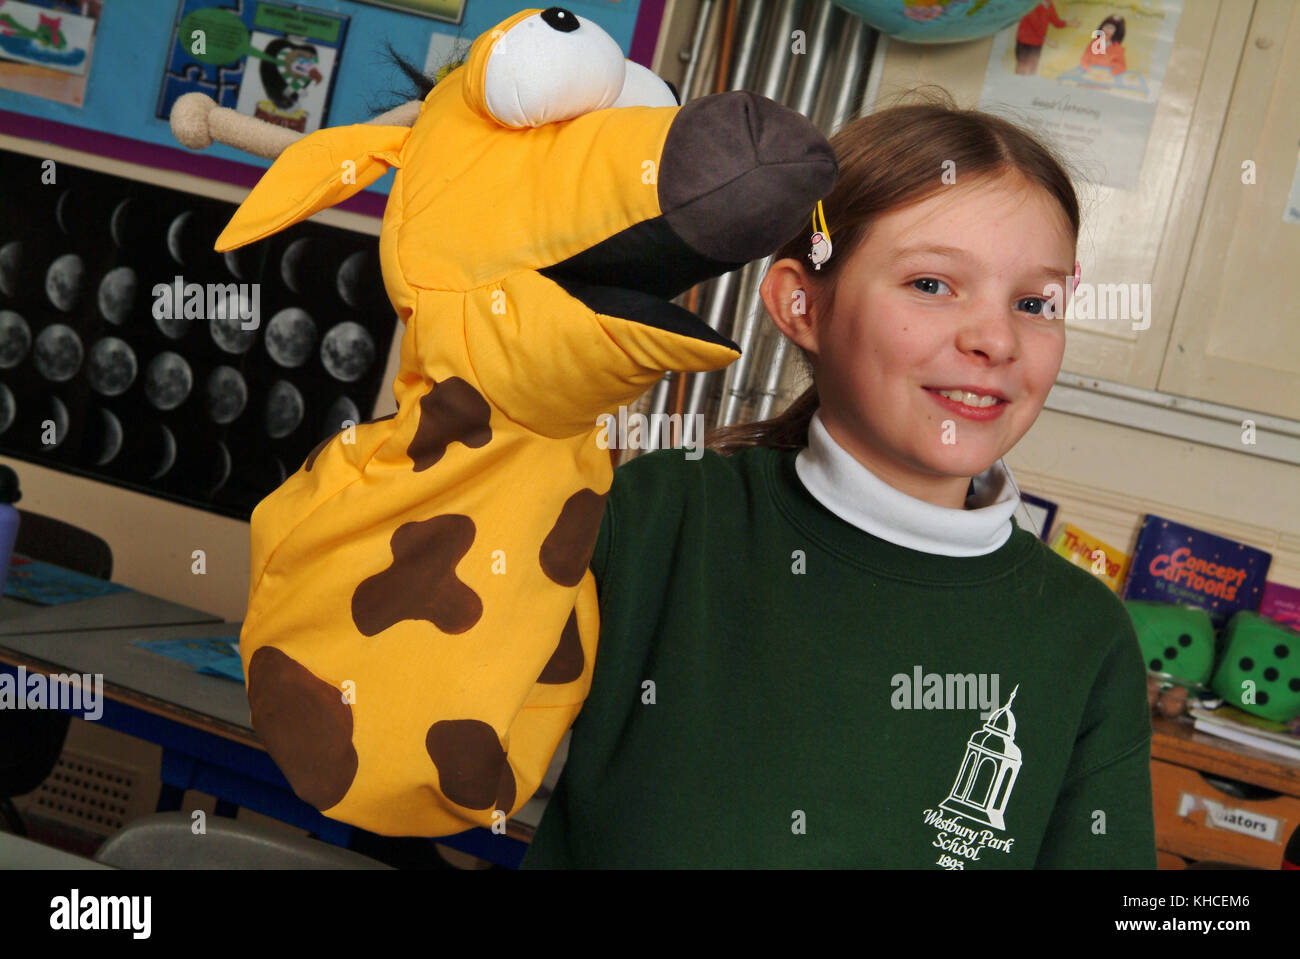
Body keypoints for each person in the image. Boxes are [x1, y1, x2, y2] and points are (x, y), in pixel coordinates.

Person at [518, 92, 1157, 869]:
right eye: (931, 284)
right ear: (801, 303)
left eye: (1034, 302)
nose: (995, 337)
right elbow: (424, 720)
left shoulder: (1085, 639)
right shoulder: (661, 516)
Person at [1014, 1, 1079, 76]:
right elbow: (1036, 25)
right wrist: (1048, 40)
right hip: (1025, 42)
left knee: (1032, 69)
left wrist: (1069, 23)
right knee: (1022, 68)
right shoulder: (1032, 5)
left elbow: (1056, 22)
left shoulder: (1049, 5)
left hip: (1037, 44)